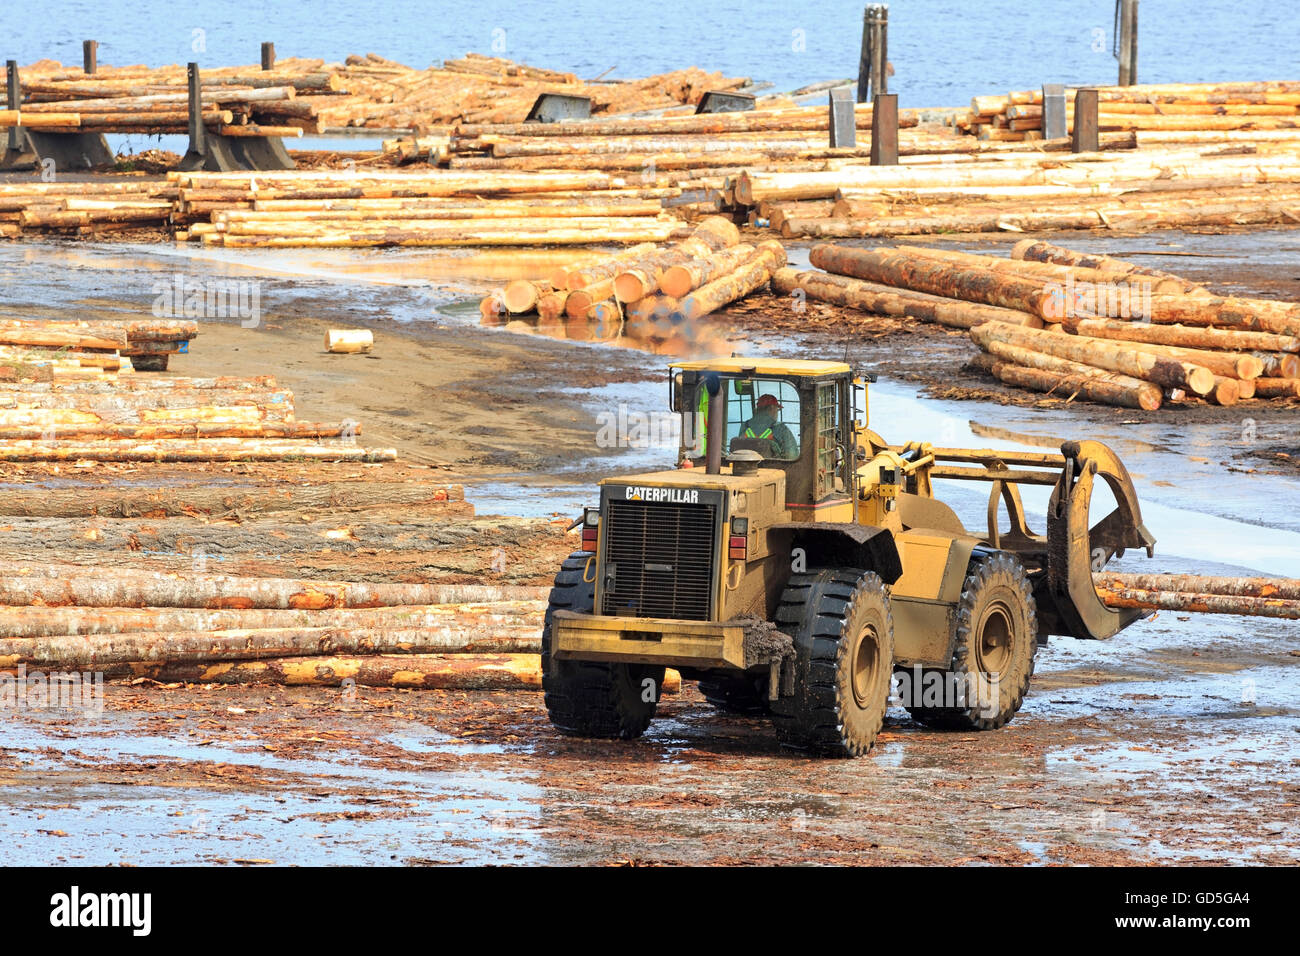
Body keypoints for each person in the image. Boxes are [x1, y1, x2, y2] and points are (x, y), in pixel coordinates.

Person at [732, 393, 798, 459]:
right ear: (772, 408)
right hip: (772, 468)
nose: (777, 412)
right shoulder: (781, 428)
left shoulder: (745, 426)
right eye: (777, 409)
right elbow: (792, 455)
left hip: (745, 467)